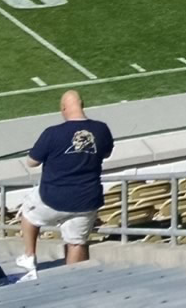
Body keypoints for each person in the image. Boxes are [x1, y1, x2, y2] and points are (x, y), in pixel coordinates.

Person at [19, 91, 113, 275]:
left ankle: (29, 256)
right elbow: (107, 153)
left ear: (63, 109)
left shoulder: (52, 133)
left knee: (28, 214)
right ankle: (74, 279)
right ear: (82, 104)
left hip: (53, 197)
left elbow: (31, 162)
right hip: (86, 199)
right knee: (76, 242)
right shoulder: (102, 129)